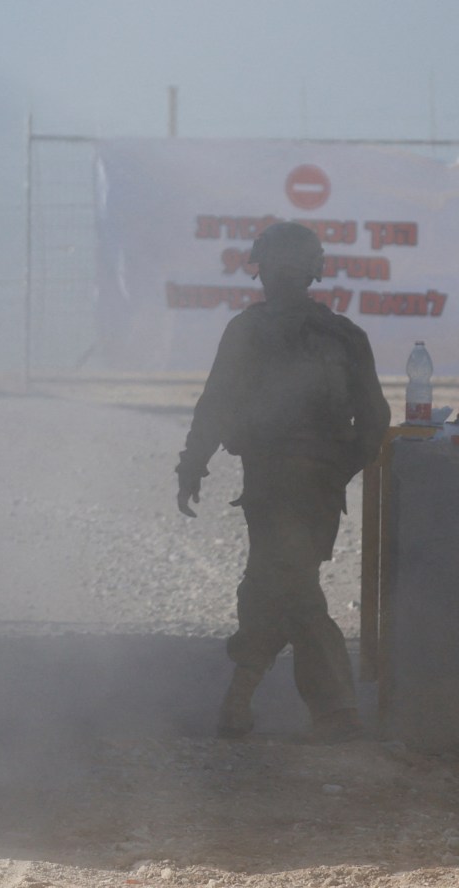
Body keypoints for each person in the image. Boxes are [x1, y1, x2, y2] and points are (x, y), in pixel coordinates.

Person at [176, 220, 390, 741]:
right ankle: (310, 709)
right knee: (284, 585)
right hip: (314, 490)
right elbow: (376, 422)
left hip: (271, 485)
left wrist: (192, 464)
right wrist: (338, 470)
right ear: (314, 271)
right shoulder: (346, 336)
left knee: (281, 587)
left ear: (263, 271)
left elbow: (215, 404)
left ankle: (278, 703)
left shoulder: (247, 330)